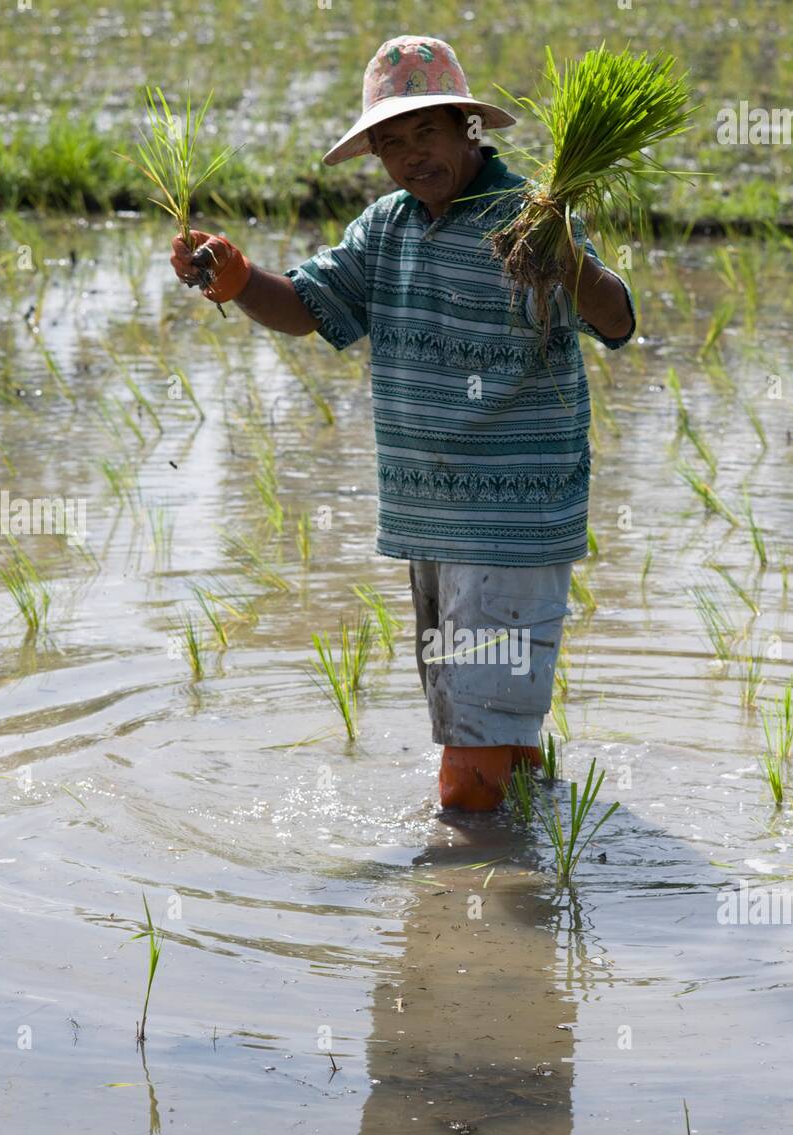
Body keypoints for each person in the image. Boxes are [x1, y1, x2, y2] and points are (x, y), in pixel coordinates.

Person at [170, 35, 635, 812]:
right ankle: (523, 852)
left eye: (425, 134)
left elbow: (614, 319)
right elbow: (311, 309)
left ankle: (463, 890)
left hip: (511, 518)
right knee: (486, 717)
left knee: (467, 750)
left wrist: (568, 260)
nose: (411, 156)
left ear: (465, 128)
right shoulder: (386, 228)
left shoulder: (529, 219)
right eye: (391, 143)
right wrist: (240, 279)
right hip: (433, 518)